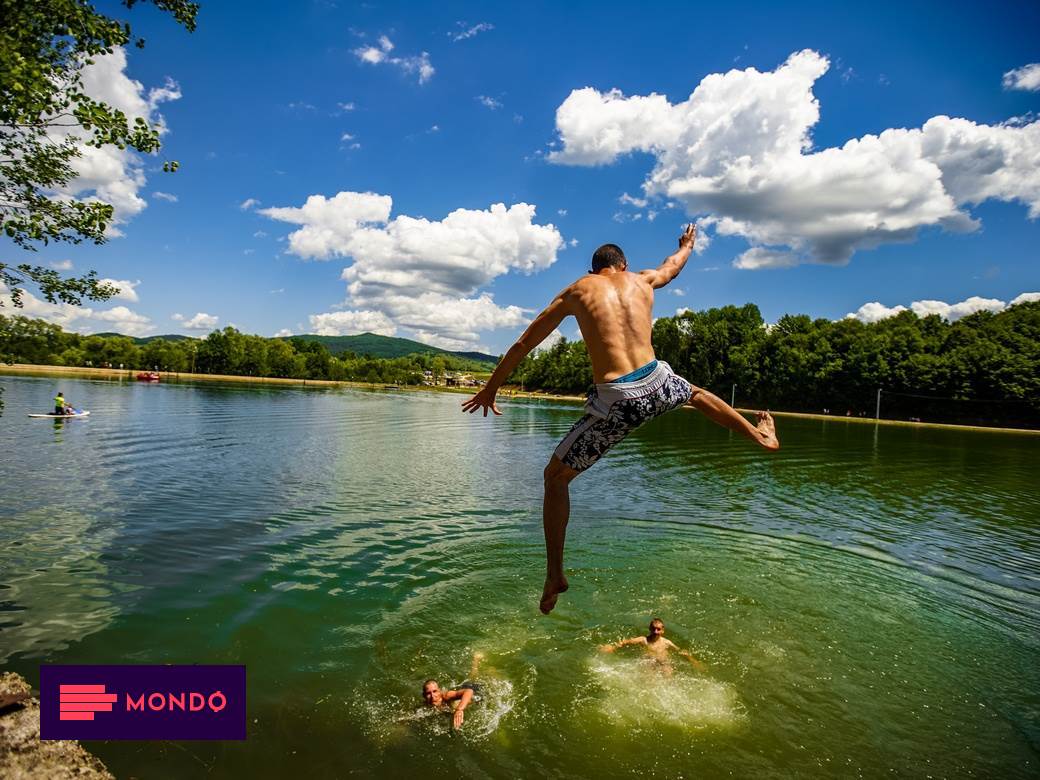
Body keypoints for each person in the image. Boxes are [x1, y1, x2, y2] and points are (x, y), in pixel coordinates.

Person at [462, 224, 780, 614]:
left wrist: (491, 387)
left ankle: (554, 573)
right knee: (695, 394)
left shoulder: (577, 290)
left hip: (620, 399)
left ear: (594, 269)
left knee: (555, 477)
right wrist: (688, 245)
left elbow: (524, 343)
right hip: (660, 381)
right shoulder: (643, 280)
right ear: (623, 265)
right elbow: (672, 267)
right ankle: (758, 434)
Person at [600, 618, 705, 671]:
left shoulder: (667, 643)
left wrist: (693, 661)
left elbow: (681, 652)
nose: (655, 631)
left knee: (668, 675)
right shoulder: (643, 640)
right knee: (649, 681)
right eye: (653, 629)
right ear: (649, 629)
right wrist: (612, 647)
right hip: (648, 662)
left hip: (664, 663)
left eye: (658, 629)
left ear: (663, 631)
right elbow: (626, 641)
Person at [421, 651, 485, 730]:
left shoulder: (446, 696)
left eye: (435, 691)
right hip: (462, 692)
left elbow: (469, 691)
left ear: (439, 691)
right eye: (428, 693)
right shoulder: (425, 705)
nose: (433, 696)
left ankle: (476, 660)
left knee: (474, 678)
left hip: (475, 695)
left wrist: (459, 709)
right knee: (471, 678)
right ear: (424, 696)